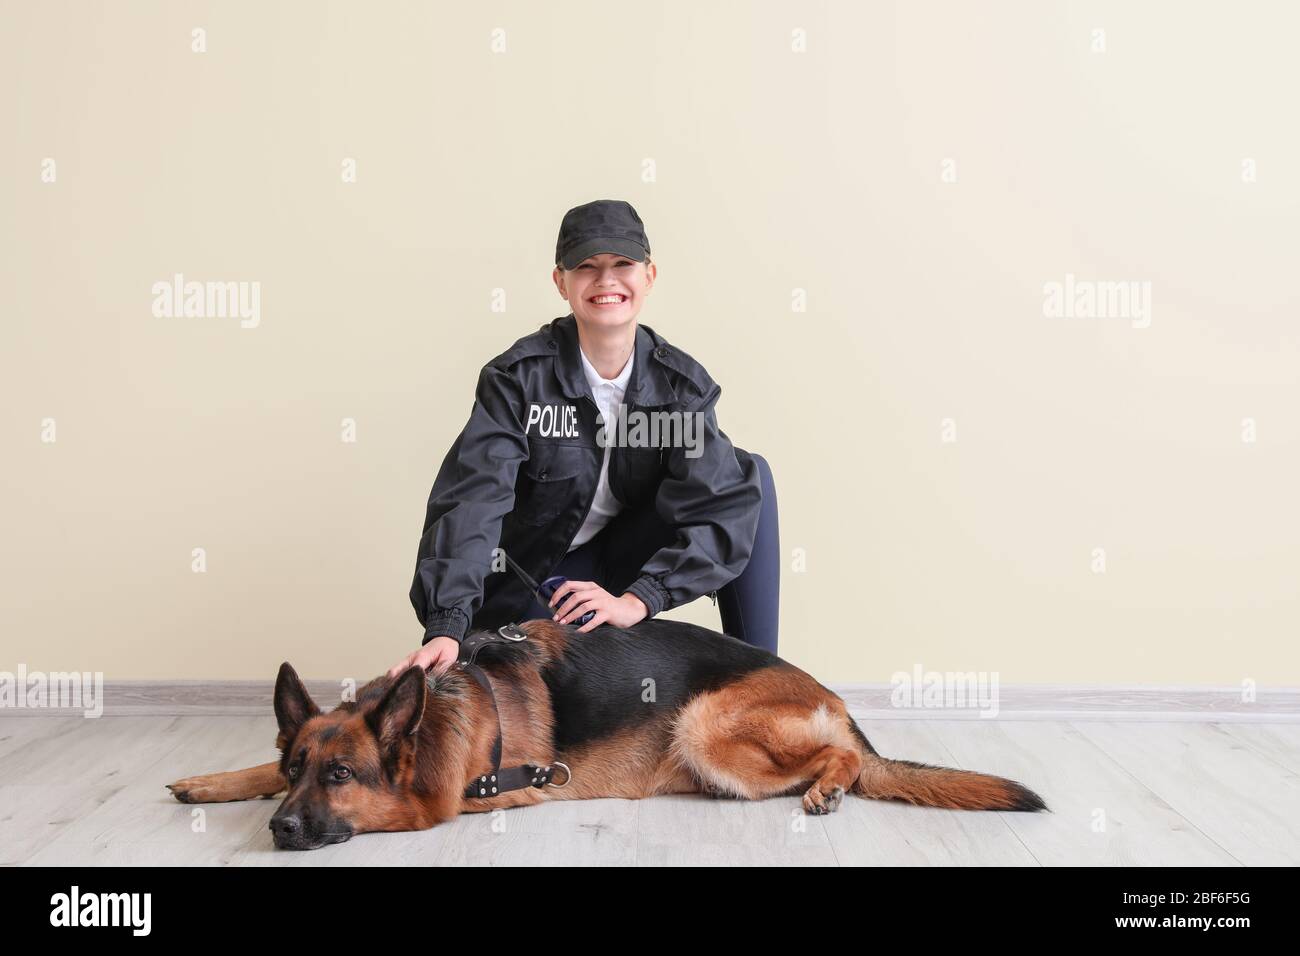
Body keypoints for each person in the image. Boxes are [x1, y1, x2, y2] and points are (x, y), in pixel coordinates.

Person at [388, 199, 779, 679]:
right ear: (562, 282)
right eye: (587, 267)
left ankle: (763, 681)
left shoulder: (678, 389)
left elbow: (721, 506)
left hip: (621, 568)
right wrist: (447, 625)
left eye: (622, 265)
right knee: (533, 694)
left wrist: (640, 600)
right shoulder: (518, 382)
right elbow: (473, 501)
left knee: (747, 474)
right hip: (531, 577)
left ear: (649, 276)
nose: (606, 281)